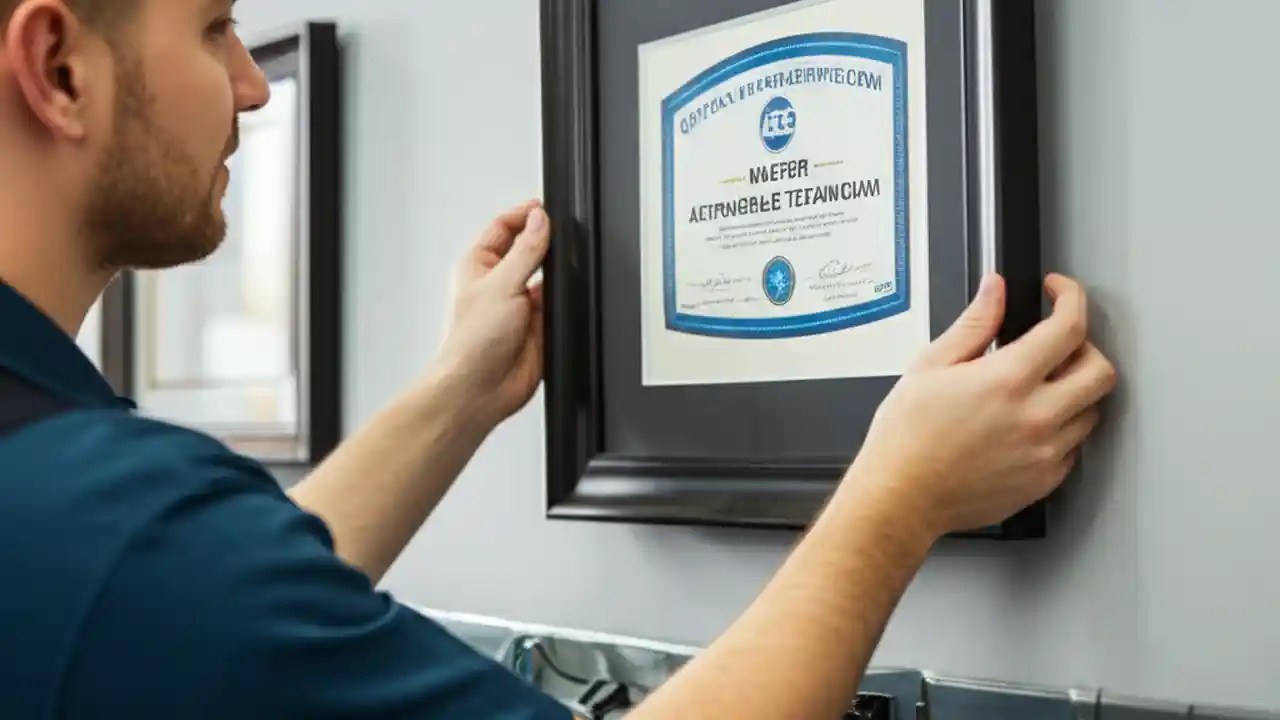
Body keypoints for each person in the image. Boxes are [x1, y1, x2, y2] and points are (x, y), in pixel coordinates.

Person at [0, 0, 1117, 718]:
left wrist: (458, 395)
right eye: (213, 27)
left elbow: (204, 625)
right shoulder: (104, 533)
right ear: (57, 68)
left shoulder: (89, 539)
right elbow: (162, 587)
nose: (249, 83)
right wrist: (897, 500)